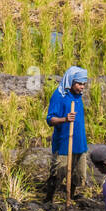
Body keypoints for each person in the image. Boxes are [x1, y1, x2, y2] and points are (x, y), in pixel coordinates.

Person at [44, 66, 89, 203]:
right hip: (63, 142)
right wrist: (65, 119)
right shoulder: (59, 96)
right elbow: (50, 120)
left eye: (83, 84)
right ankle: (48, 200)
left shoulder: (78, 96)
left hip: (79, 142)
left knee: (78, 173)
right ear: (70, 82)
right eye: (79, 84)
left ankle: (70, 196)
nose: (82, 87)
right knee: (58, 173)